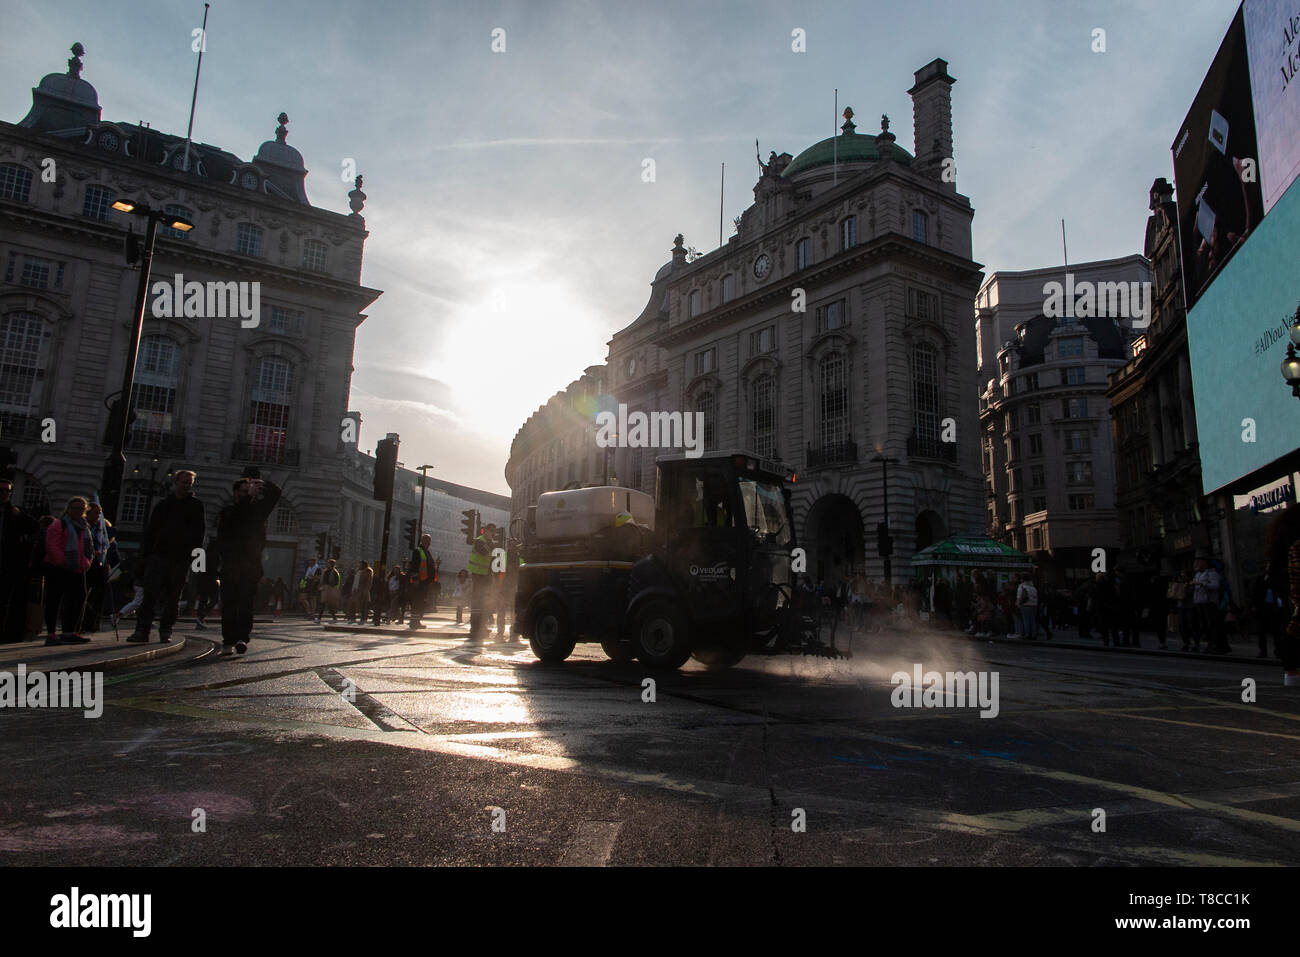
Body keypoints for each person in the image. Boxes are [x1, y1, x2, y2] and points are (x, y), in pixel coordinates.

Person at [128, 470, 205, 644]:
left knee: (173, 598)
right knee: (150, 595)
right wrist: (145, 556)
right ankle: (142, 630)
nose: (186, 485)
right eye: (184, 482)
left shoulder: (196, 505)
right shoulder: (163, 504)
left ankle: (166, 630)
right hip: (160, 555)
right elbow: (151, 531)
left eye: (189, 483)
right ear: (176, 482)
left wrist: (194, 559)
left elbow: (199, 534)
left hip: (181, 558)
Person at [215, 475, 281, 655]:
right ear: (236, 494)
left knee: (246, 603)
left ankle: (242, 637)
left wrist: (262, 482)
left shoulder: (258, 511)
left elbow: (276, 493)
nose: (248, 493)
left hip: (251, 567)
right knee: (229, 604)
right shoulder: (228, 512)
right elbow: (223, 536)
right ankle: (228, 640)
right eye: (244, 491)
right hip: (230, 565)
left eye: (249, 491)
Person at [42, 496, 94, 646]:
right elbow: (52, 546)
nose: (78, 511)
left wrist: (86, 562)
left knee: (77, 599)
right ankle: (51, 633)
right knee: (54, 600)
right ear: (68, 509)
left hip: (78, 568)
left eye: (81, 509)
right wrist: (63, 561)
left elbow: (88, 549)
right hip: (59, 568)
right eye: (75, 508)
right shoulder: (59, 524)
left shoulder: (84, 527)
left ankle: (69, 631)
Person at [0, 477, 40, 645]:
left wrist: (24, 544)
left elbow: (36, 528)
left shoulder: (16, 512)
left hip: (8, 564)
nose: (4, 494)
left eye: (7, 491)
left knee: (5, 601)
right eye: (0, 490)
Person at [468, 522, 495, 641]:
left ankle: (481, 626)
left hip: (485, 575)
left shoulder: (490, 542)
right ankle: (475, 627)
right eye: (491, 530)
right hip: (478, 575)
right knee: (477, 601)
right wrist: (490, 543)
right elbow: (484, 552)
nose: (492, 533)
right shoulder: (480, 540)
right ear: (485, 530)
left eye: (494, 531)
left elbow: (493, 558)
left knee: (484, 601)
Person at [1192, 558, 1225, 654]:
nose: (1198, 564)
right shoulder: (1198, 574)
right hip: (1200, 602)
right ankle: (1210, 644)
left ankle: (1215, 645)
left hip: (1209, 602)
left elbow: (1215, 586)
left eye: (1200, 562)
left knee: (1211, 625)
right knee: (1204, 625)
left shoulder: (1212, 574)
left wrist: (1202, 584)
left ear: (1205, 563)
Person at [406, 533, 437, 630]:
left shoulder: (427, 552)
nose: (429, 543)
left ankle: (417, 620)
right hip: (419, 582)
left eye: (429, 541)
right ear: (422, 541)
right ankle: (414, 622)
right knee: (417, 602)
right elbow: (414, 566)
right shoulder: (418, 551)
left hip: (425, 582)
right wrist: (415, 580)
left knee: (421, 602)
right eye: (427, 540)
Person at [315, 558, 342, 624]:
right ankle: (331, 618)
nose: (327, 564)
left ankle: (320, 618)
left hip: (330, 589)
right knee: (325, 604)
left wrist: (330, 586)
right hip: (325, 588)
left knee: (326, 604)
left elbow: (336, 582)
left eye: (328, 563)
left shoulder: (334, 572)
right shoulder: (326, 571)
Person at [1015, 573, 1039, 640]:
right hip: (1034, 605)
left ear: (1022, 579)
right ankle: (1034, 634)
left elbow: (1019, 597)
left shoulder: (1022, 586)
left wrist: (1018, 604)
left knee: (1026, 621)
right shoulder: (1033, 587)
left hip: (1025, 605)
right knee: (1033, 620)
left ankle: (1027, 634)